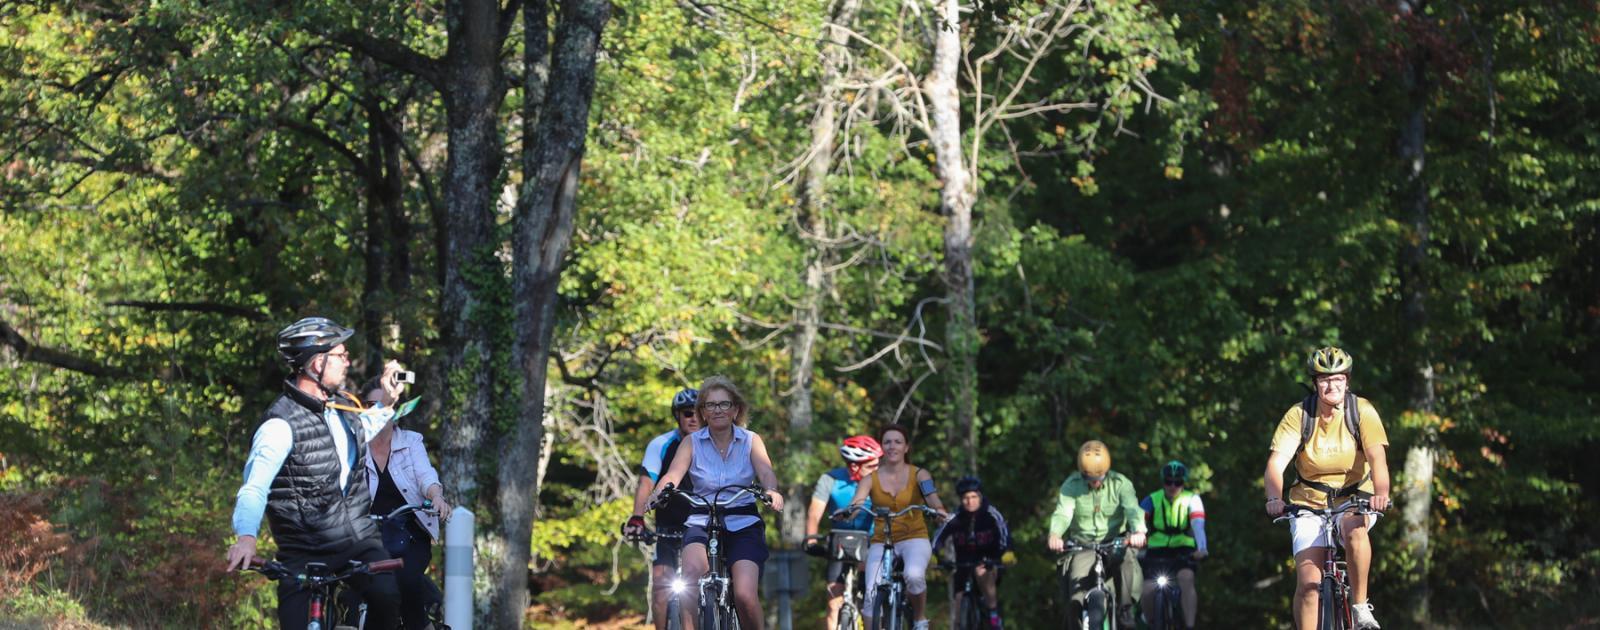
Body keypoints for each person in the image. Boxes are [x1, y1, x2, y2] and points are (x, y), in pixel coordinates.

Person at [224, 317, 404, 629]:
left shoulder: (340, 407)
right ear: (317, 363)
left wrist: (388, 399)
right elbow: (254, 487)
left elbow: (365, 428)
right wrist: (246, 538)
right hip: (304, 552)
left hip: (358, 541)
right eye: (341, 355)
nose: (347, 362)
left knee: (387, 597)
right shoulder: (280, 425)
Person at [1264, 346, 1391, 630]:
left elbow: (1377, 457)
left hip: (1354, 497)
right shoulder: (1299, 415)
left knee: (1354, 530)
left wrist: (1381, 493)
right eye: (1324, 379)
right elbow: (1275, 465)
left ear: (1347, 381)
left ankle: (1359, 607)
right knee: (1309, 583)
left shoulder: (1362, 411)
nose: (1331, 385)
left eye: (1338, 379)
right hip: (1307, 502)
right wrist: (1274, 498)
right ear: (1315, 383)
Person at [651, 376, 784, 630]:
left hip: (743, 520)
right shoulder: (691, 442)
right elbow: (673, 474)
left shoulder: (750, 440)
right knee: (688, 581)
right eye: (710, 405)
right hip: (701, 519)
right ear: (702, 411)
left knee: (745, 594)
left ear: (735, 409)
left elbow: (766, 471)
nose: (717, 410)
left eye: (724, 404)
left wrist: (772, 491)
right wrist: (659, 492)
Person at [361, 379, 452, 630]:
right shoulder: (354, 446)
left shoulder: (411, 441)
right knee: (354, 588)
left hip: (408, 534)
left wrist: (436, 496)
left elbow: (426, 476)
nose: (378, 411)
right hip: (365, 536)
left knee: (407, 580)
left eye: (385, 405)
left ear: (396, 410)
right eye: (371, 405)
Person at [844, 424, 950, 630]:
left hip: (914, 537)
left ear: (906, 447)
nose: (892, 446)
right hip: (881, 541)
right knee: (870, 592)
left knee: (914, 575)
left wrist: (939, 511)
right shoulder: (869, 479)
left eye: (898, 442)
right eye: (887, 442)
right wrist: (849, 511)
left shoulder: (920, 475)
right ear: (882, 447)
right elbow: (857, 503)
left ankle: (919, 618)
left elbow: (932, 498)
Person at [622, 387, 701, 630]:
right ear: (677, 416)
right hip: (668, 526)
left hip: (702, 525)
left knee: (700, 584)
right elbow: (647, 481)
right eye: (687, 413)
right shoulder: (661, 444)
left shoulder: (711, 442)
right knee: (660, 587)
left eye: (698, 412)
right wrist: (637, 517)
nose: (693, 418)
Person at [1047, 440, 1146, 628]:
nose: (1094, 482)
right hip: (1083, 545)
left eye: (1099, 477)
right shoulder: (1071, 486)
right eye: (1088, 478)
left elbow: (1133, 510)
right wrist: (1055, 535)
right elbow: (1063, 513)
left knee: (1126, 560)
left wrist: (1138, 531)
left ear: (1106, 470)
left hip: (1115, 542)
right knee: (1074, 600)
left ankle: (1125, 609)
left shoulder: (1120, 484)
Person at [805, 435, 882, 630]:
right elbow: (814, 513)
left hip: (870, 541)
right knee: (833, 603)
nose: (877, 468)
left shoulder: (880, 480)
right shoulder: (830, 479)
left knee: (871, 602)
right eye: (872, 465)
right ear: (855, 466)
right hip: (839, 541)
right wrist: (812, 540)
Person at [932, 475, 1011, 629]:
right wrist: (933, 554)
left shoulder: (991, 514)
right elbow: (939, 536)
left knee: (981, 573)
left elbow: (1005, 533)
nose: (970, 501)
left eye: (974, 497)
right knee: (959, 600)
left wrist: (1007, 552)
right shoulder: (955, 517)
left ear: (980, 497)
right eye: (965, 498)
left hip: (988, 562)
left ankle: (994, 616)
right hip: (963, 563)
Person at [1138, 460, 1207, 630]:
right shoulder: (1152, 499)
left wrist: (1202, 548)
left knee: (1186, 578)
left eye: (1178, 482)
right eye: (1169, 481)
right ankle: (1153, 622)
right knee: (1147, 591)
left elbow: (1198, 525)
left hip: (1183, 550)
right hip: (1157, 551)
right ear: (1163, 482)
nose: (1173, 486)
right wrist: (1136, 539)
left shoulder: (1192, 499)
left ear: (1184, 482)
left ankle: (1190, 626)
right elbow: (1138, 522)